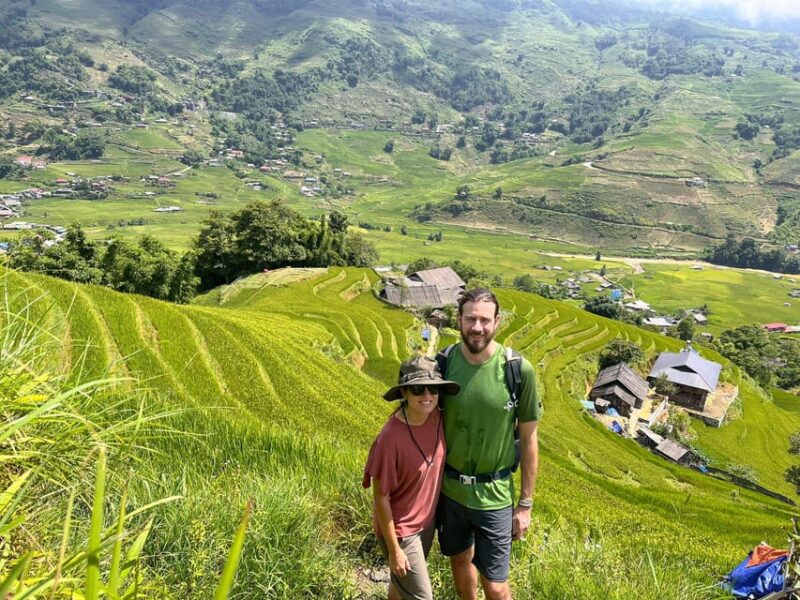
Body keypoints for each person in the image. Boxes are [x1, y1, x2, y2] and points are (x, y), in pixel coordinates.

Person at [437, 288, 543, 600]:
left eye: (485, 320)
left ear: (497, 322)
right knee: (459, 560)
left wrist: (525, 504)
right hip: (450, 490)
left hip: (495, 496)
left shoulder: (517, 370)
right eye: (470, 318)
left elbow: (529, 439)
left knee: (496, 586)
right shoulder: (442, 365)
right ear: (459, 319)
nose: (477, 327)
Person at [363, 356, 461, 600]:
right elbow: (381, 497)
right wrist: (395, 549)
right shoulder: (390, 439)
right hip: (401, 531)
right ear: (404, 393)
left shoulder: (437, 417)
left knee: (399, 588)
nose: (427, 394)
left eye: (433, 388)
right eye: (418, 389)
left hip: (426, 523)